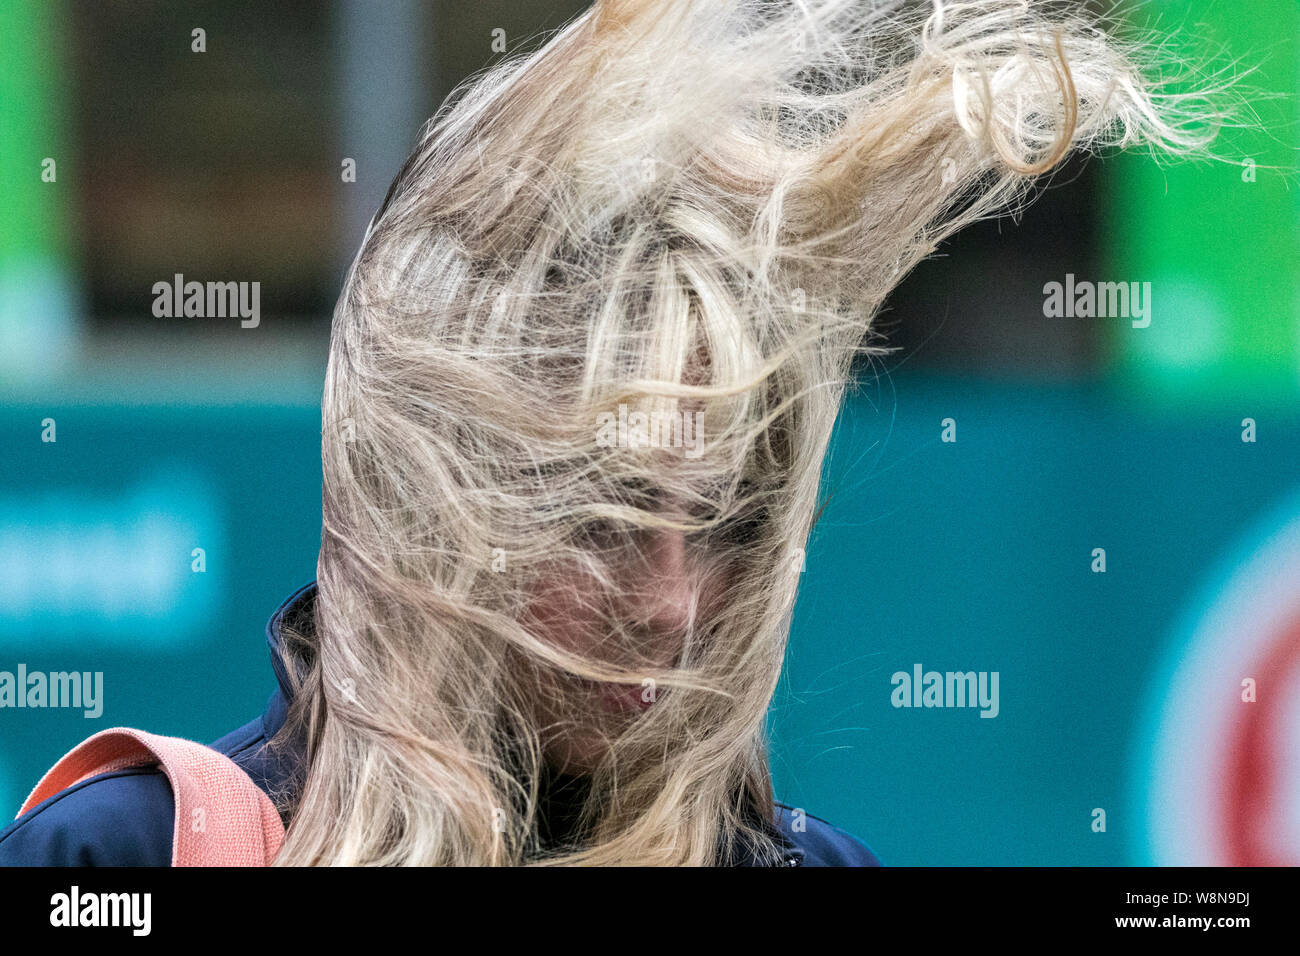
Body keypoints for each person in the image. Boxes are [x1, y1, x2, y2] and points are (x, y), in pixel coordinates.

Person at [0, 0, 1217, 866]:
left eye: (727, 524)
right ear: (438, 491)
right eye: (608, 518)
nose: (673, 602)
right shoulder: (124, 855)